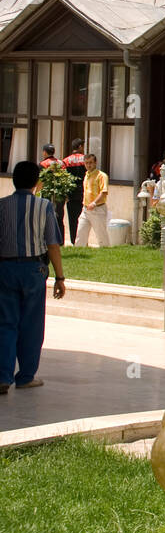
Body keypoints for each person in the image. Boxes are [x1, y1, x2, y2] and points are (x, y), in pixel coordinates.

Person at [0, 160, 66, 392]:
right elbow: (53, 244)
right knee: (31, 324)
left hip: (5, 269)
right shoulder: (44, 206)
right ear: (37, 182)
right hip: (33, 270)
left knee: (5, 323)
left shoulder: (2, 205)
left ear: (13, 181)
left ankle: (3, 377)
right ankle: (26, 376)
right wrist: (60, 277)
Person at [74, 153, 110, 247]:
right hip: (85, 209)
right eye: (86, 163)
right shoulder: (86, 175)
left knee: (101, 236)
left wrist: (94, 203)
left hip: (98, 209)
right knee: (80, 234)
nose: (88, 165)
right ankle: (78, 252)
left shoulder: (101, 175)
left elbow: (104, 192)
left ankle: (106, 252)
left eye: (90, 163)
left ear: (95, 163)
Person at [62, 138, 87, 243]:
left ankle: (74, 241)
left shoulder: (66, 161)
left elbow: (63, 177)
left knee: (72, 219)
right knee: (84, 220)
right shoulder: (85, 159)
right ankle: (83, 241)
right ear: (80, 146)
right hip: (84, 193)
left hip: (71, 193)